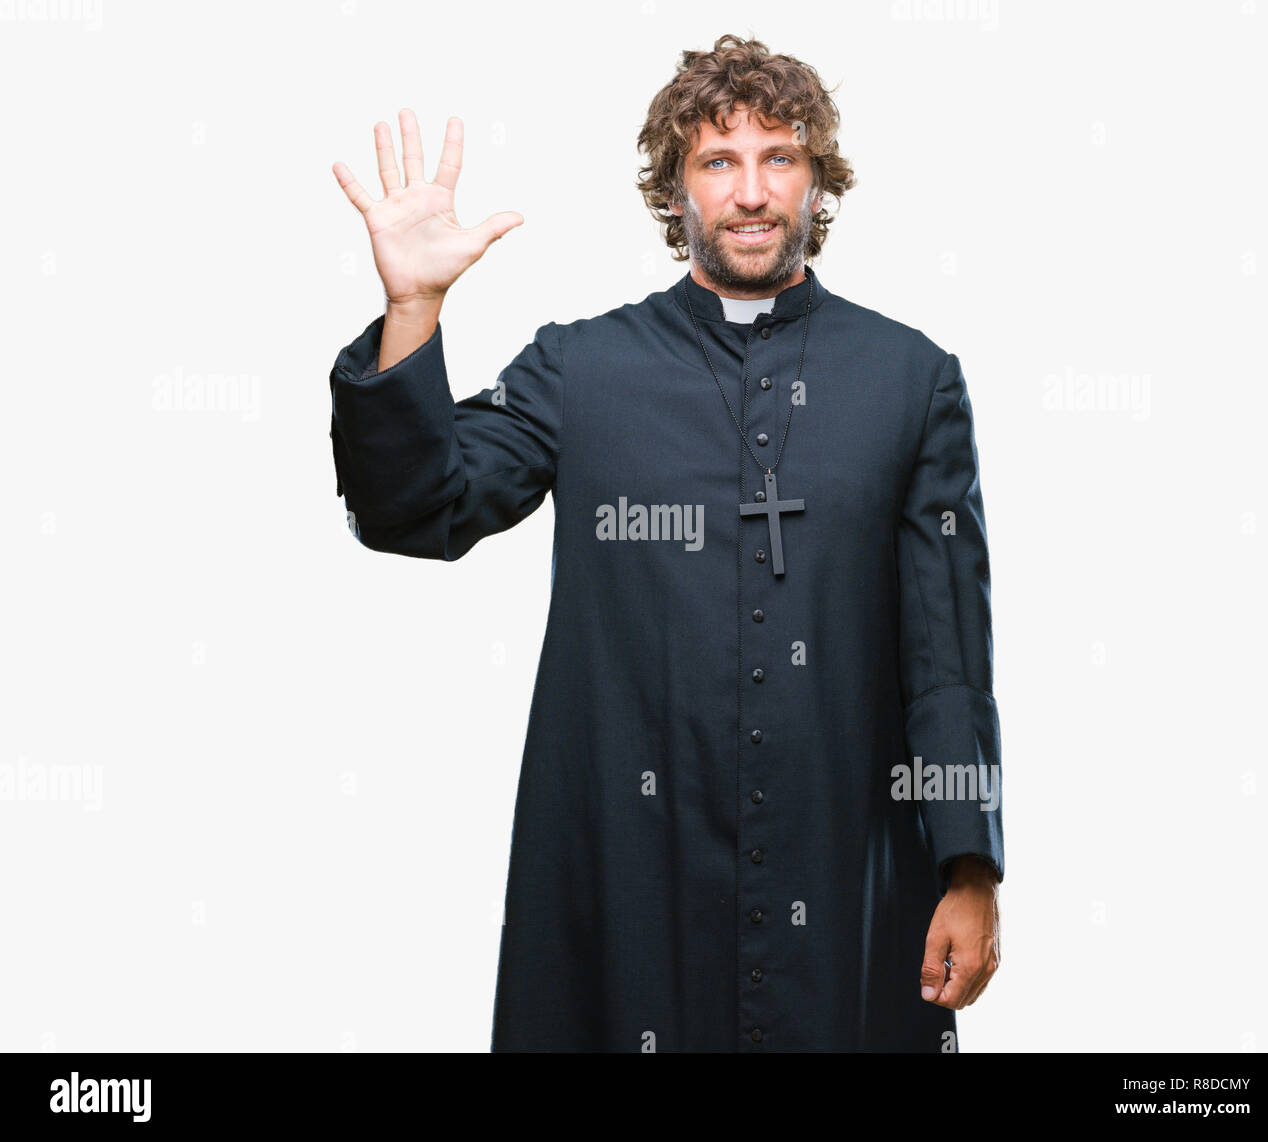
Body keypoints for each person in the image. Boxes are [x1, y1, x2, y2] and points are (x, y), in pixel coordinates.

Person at [328, 33, 1002, 1052]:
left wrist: (969, 866)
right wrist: (412, 309)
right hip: (625, 876)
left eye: (780, 158)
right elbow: (418, 507)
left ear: (818, 183)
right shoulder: (578, 368)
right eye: (717, 161)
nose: (751, 192)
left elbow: (946, 654)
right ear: (674, 188)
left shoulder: (911, 379)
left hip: (842, 874)